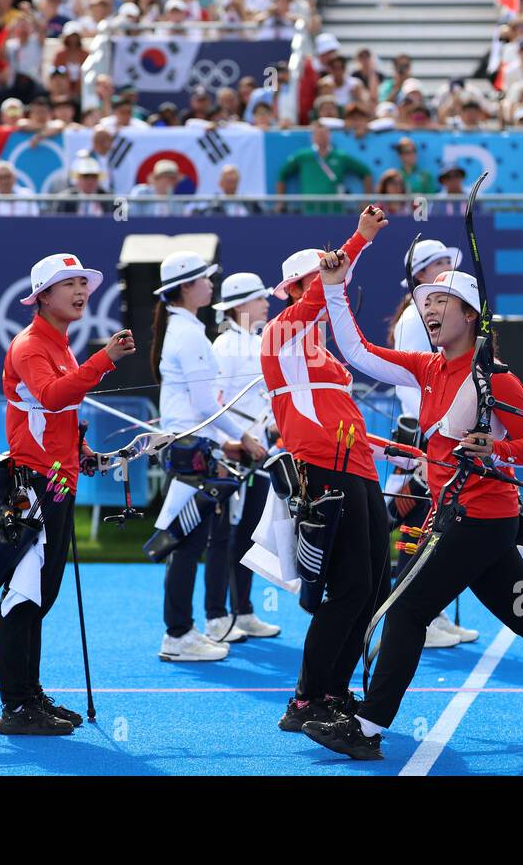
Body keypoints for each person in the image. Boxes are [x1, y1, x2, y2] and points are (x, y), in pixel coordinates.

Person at [302, 252, 523, 760]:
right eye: (427, 302)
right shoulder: (426, 368)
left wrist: (497, 449)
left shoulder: (496, 376)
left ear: (471, 315)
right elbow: (356, 350)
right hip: (468, 516)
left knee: (403, 612)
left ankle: (369, 728)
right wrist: (334, 287)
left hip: (479, 517)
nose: (430, 309)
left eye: (443, 301)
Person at [260, 205, 391, 732]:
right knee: (348, 587)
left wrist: (387, 445)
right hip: (324, 468)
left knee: (374, 585)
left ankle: (334, 689)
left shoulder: (317, 347)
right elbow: (322, 298)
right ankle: (307, 699)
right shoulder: (279, 333)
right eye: (319, 279)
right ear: (296, 290)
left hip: (356, 464)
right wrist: (358, 240)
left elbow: (336, 413)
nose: (332, 286)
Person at [0, 254, 136, 736]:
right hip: (30, 486)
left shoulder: (61, 345)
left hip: (56, 480)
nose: (80, 291)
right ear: (43, 296)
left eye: (83, 283)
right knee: (24, 594)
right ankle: (15, 706)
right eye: (68, 284)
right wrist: (105, 360)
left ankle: (29, 695)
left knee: (42, 594)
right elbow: (52, 396)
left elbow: (59, 414)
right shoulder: (32, 345)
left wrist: (83, 450)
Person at [151, 252, 268, 660]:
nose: (210, 286)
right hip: (192, 450)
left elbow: (203, 406)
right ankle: (179, 633)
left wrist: (230, 442)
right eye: (203, 279)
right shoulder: (190, 334)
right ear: (186, 287)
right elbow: (205, 406)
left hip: (196, 447)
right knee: (187, 542)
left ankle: (183, 630)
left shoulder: (185, 330)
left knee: (188, 541)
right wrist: (243, 439)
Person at [385, 238, 478, 649]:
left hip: (438, 436)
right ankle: (413, 609)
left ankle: (429, 610)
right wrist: (430, 440)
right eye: (438, 264)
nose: (446, 267)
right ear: (420, 275)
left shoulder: (432, 317)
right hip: (424, 438)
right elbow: (416, 386)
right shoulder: (413, 318)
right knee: (413, 520)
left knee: (428, 521)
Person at [207, 273, 283, 642]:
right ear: (239, 306)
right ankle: (216, 616)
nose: (266, 304)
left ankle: (244, 611)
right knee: (223, 537)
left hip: (258, 453)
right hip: (234, 455)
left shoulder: (255, 342)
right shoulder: (223, 345)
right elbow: (214, 403)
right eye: (258, 299)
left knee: (251, 537)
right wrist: (230, 444)